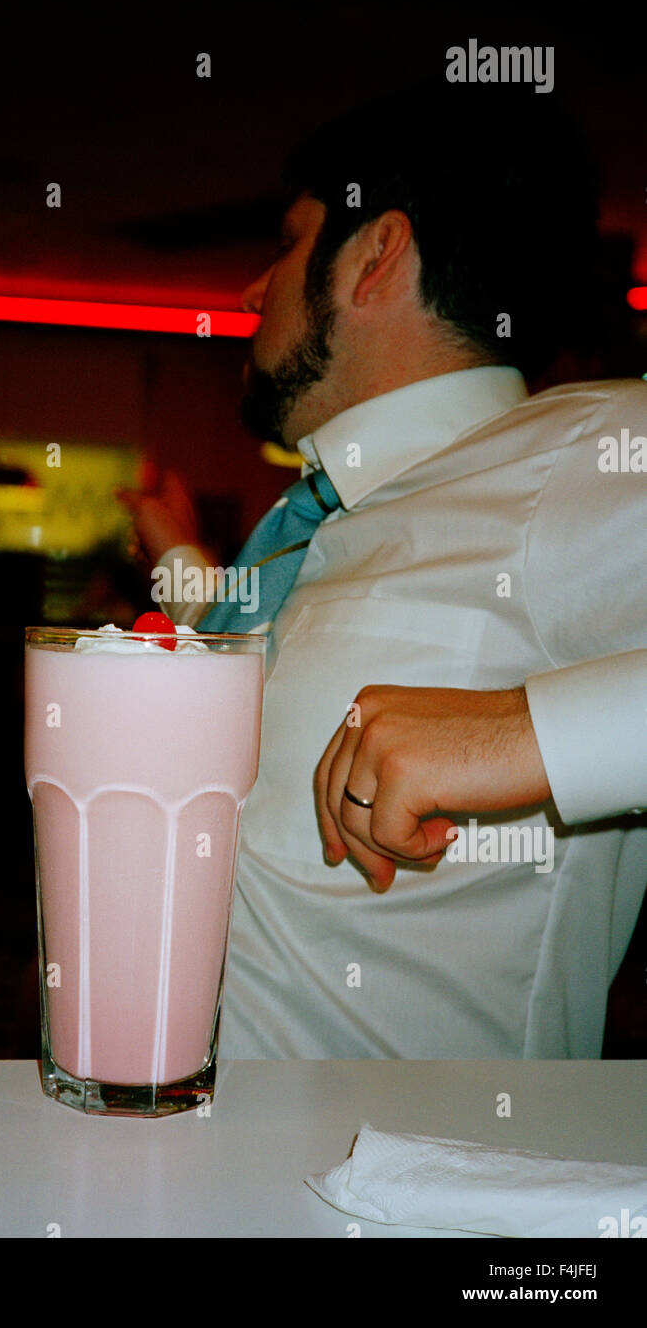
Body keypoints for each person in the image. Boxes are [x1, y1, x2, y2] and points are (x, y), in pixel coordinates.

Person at [117, 78, 647, 1059]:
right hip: (171, 1145)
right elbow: (282, 682)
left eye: (285, 240)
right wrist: (185, 568)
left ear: (373, 257)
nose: (249, 288)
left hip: (399, 1194)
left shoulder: (584, 453)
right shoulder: (314, 514)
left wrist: (522, 731)